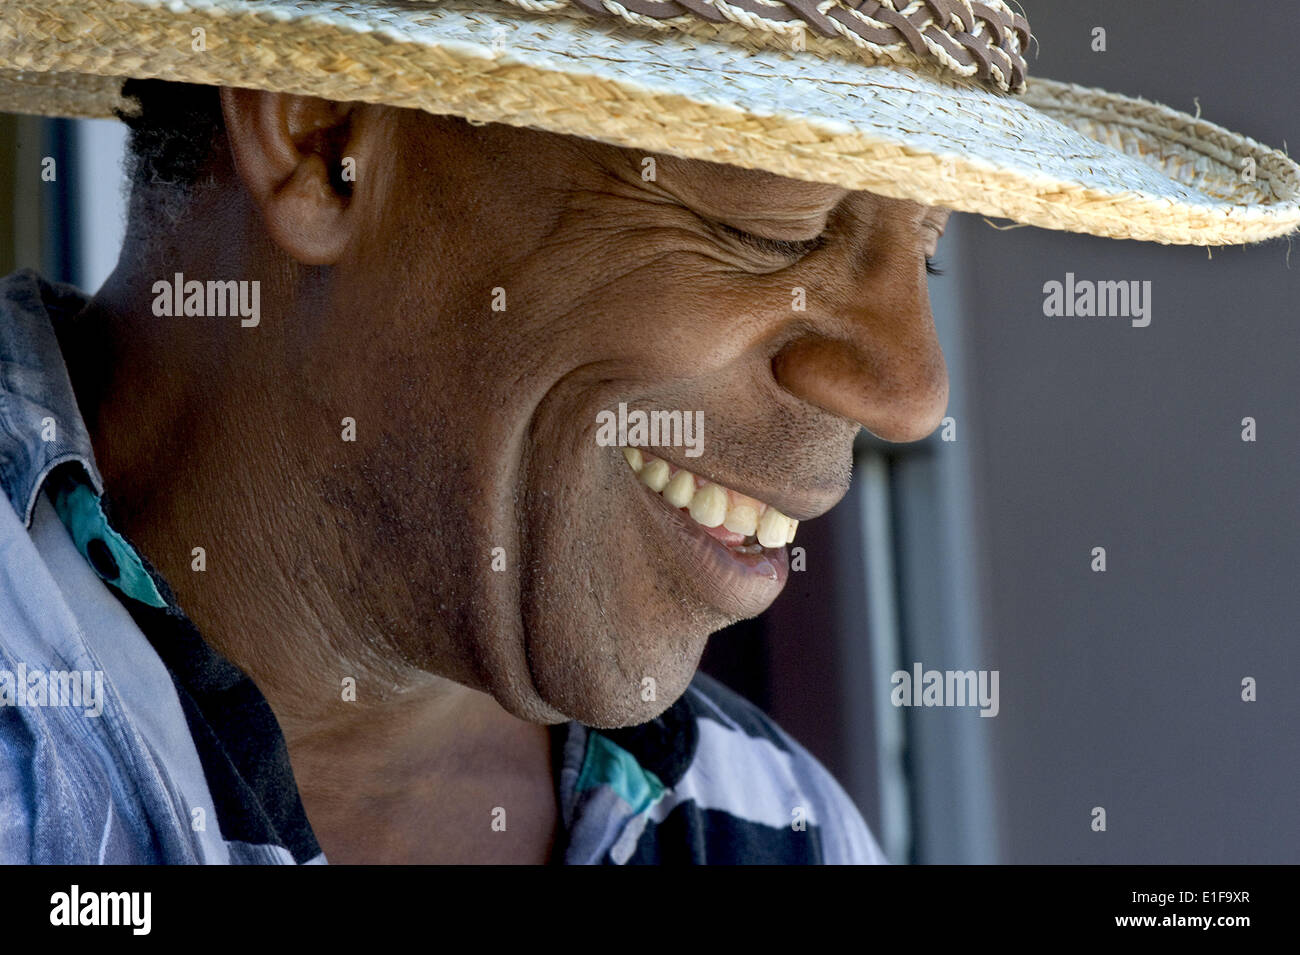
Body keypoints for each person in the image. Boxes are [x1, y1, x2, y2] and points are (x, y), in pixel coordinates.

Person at [0, 0, 1295, 864]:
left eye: (930, 259)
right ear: (326, 140)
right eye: (775, 227)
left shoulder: (776, 830)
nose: (911, 389)